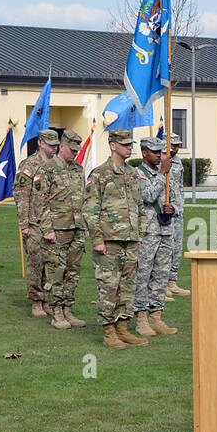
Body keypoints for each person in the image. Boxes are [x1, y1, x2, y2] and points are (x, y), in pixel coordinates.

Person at [82, 127, 145, 349]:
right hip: (109, 241)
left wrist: (140, 233)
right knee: (109, 286)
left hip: (130, 240)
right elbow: (90, 210)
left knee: (128, 287)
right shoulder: (99, 175)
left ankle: (123, 328)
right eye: (125, 144)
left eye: (131, 144)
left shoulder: (132, 174)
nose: (129, 147)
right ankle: (109, 332)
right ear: (113, 145)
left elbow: (140, 207)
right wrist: (97, 239)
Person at [36, 128, 87, 330]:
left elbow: (83, 198)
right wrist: (47, 229)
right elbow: (40, 203)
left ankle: (67, 309)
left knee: (72, 272)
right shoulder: (47, 169)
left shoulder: (78, 170)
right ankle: (56, 312)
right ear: (62, 147)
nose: (75, 154)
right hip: (56, 230)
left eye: (77, 150)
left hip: (76, 228)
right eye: (72, 150)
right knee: (56, 271)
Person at [132, 135, 177, 337]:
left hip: (166, 230)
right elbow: (147, 196)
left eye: (161, 152)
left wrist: (173, 208)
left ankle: (156, 316)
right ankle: (141, 317)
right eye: (155, 152)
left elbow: (177, 198)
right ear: (144, 152)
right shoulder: (138, 174)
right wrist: (161, 174)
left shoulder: (167, 174)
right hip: (148, 231)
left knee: (161, 274)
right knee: (143, 274)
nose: (159, 155)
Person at [14, 128, 58, 317]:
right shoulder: (30, 165)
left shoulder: (57, 165)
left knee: (51, 264)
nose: (54, 148)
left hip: (53, 222)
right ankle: (36, 300)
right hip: (34, 222)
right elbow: (22, 195)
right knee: (35, 262)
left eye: (56, 145)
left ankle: (47, 298)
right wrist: (24, 224)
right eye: (50, 145)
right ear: (41, 143)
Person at [165, 135, 190, 300]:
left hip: (177, 211)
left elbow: (180, 187)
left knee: (176, 248)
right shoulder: (160, 162)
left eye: (177, 146)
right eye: (172, 145)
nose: (175, 148)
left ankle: (172, 281)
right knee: (164, 249)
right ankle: (161, 283)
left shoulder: (178, 162)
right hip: (165, 213)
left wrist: (180, 206)